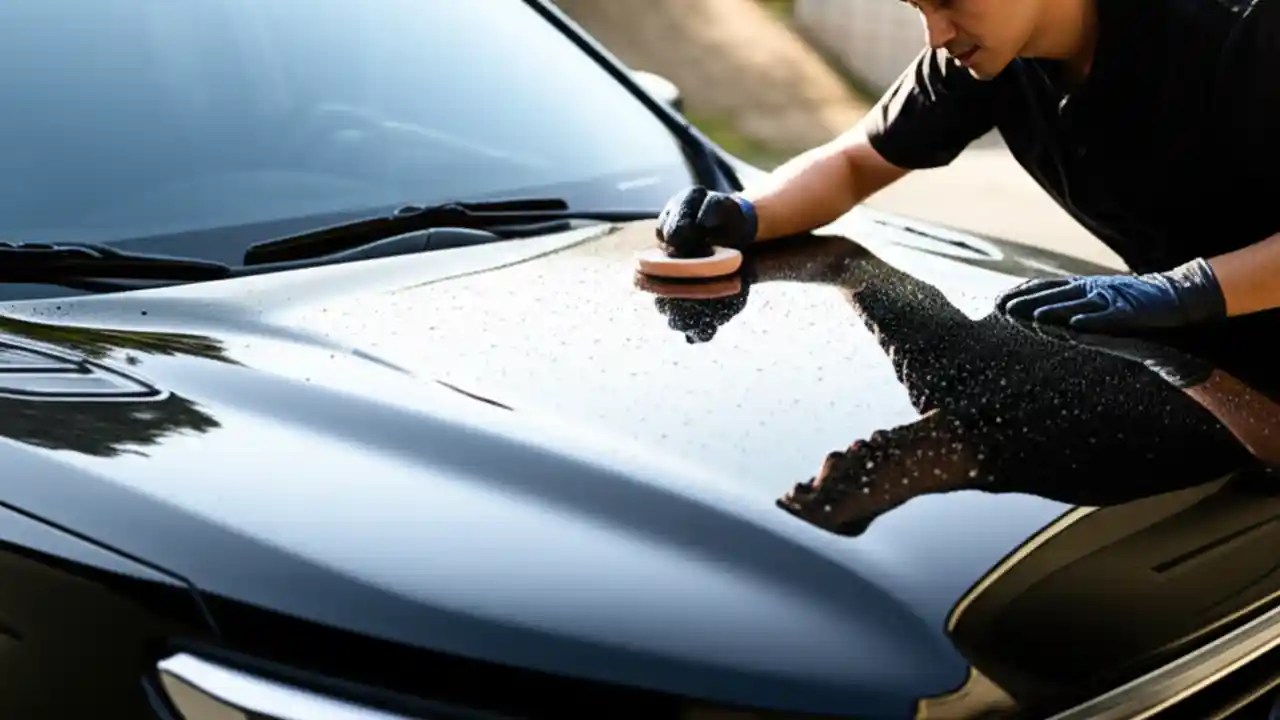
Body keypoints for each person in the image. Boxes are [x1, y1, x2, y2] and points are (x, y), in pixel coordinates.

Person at [654, 0, 1280, 335]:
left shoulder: (1241, 31)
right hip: (1203, 370)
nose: (935, 34)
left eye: (949, 0)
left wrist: (1180, 292)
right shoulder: (985, 56)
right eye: (917, 5)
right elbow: (854, 161)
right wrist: (744, 213)